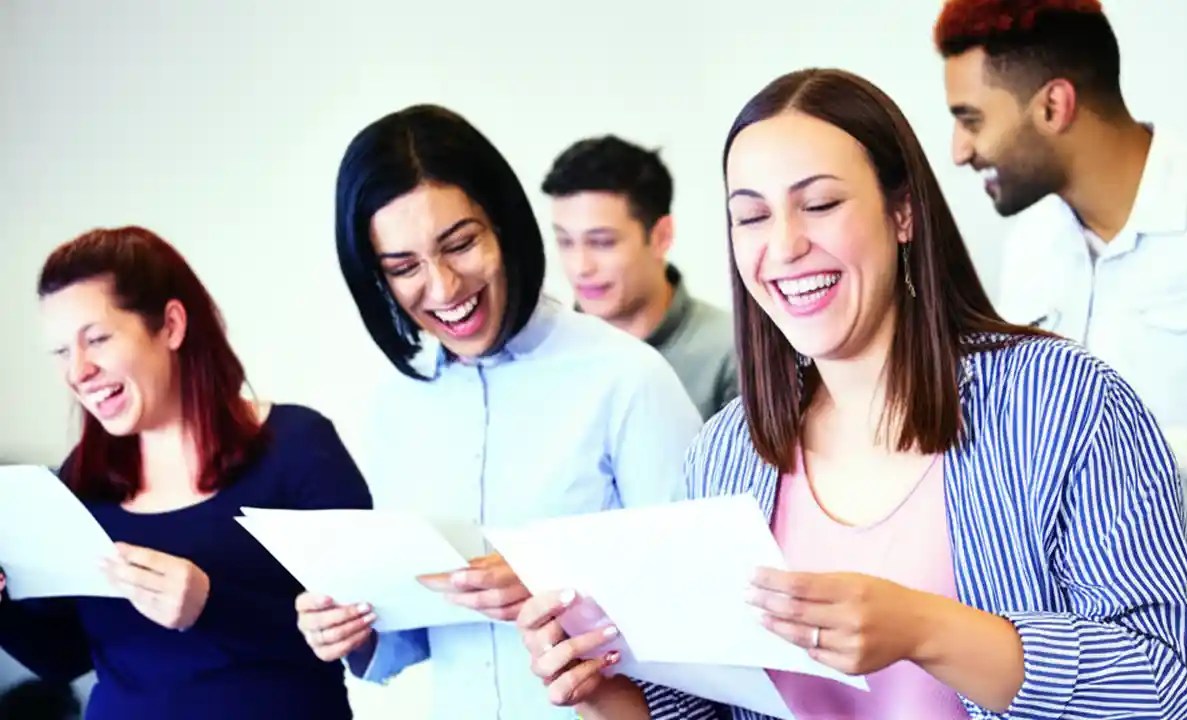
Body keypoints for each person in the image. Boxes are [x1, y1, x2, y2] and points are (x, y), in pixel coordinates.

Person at [514, 67, 1187, 720]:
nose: (783, 247)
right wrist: (605, 691)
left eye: (819, 204)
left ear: (903, 212)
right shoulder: (728, 453)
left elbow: (1166, 682)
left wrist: (925, 629)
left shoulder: (1064, 402)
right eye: (750, 217)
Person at [294, 104, 701, 719]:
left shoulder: (625, 377)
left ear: (504, 226)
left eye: (459, 244)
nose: (443, 287)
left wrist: (553, 579)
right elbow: (417, 624)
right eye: (403, 267)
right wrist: (353, 626)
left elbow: (699, 597)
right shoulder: (394, 408)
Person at [935, 2, 1187, 718]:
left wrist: (1134, 475)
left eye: (971, 119)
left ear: (1054, 104)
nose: (958, 151)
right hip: (1112, 669)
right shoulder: (1033, 249)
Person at [0, 226, 372, 719]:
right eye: (63, 353)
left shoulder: (297, 446)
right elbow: (63, 657)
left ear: (171, 325)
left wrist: (212, 605)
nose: (78, 371)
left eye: (97, 339)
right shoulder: (78, 479)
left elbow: (373, 635)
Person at [542, 135, 738, 420]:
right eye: (565, 241)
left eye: (602, 242)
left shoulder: (732, 355)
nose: (580, 266)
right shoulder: (544, 350)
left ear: (661, 236)